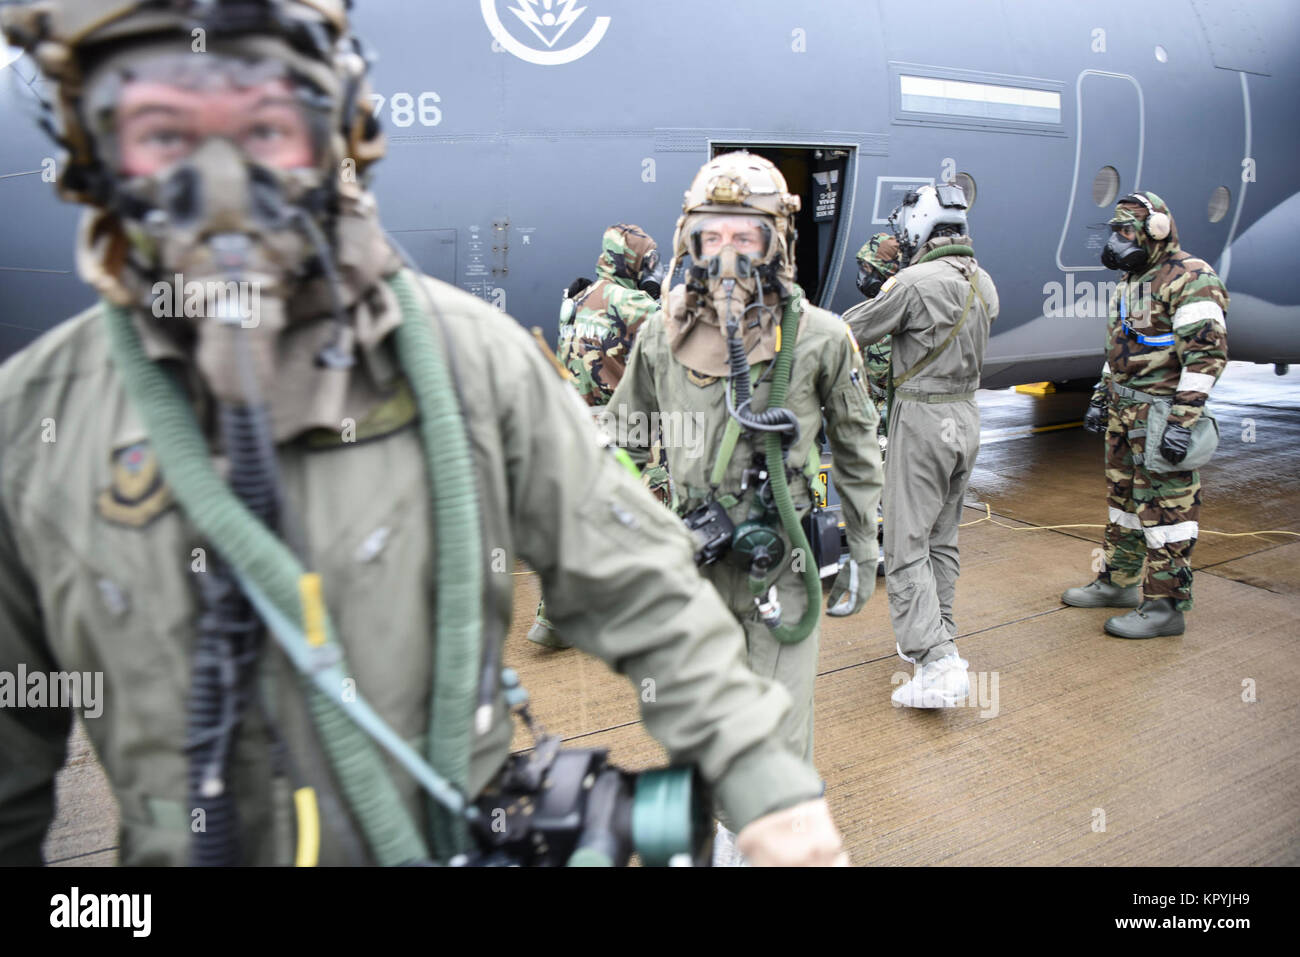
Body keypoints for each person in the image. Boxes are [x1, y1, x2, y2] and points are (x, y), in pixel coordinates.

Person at [0, 0, 849, 867]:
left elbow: (631, 575)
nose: (220, 176)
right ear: (91, 154)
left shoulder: (474, 363)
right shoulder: (32, 423)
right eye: (158, 129)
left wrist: (763, 782)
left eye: (266, 121)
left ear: (334, 128)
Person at [607, 151, 883, 862]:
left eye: (746, 236)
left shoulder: (819, 336)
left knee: (775, 732)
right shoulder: (658, 335)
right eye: (713, 236)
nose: (727, 254)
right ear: (689, 242)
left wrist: (863, 544)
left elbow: (856, 445)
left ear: (776, 243)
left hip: (780, 571)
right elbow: (618, 437)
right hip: (692, 564)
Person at [844, 184, 998, 708]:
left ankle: (936, 661)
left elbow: (850, 333)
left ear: (919, 225)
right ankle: (940, 634)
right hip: (966, 418)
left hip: (923, 418)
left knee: (904, 542)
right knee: (941, 538)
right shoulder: (983, 281)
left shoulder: (912, 282)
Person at [1061, 191, 1229, 638]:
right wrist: (1101, 395)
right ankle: (1118, 581)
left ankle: (1165, 607)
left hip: (1161, 417)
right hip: (1124, 413)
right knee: (1126, 506)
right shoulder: (1133, 280)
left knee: (1168, 513)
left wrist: (1182, 422)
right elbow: (1121, 346)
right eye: (1114, 231)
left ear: (1154, 231)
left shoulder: (1192, 278)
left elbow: (1206, 357)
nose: (1117, 241)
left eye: (1125, 231)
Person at [527, 224, 667, 649]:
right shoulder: (637, 304)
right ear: (635, 262)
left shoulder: (575, 298)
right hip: (627, 426)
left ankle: (552, 620)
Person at [854, 232, 903, 439]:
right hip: (873, 424)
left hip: (891, 427)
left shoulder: (899, 317)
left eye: (867, 268)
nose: (862, 275)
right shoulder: (872, 313)